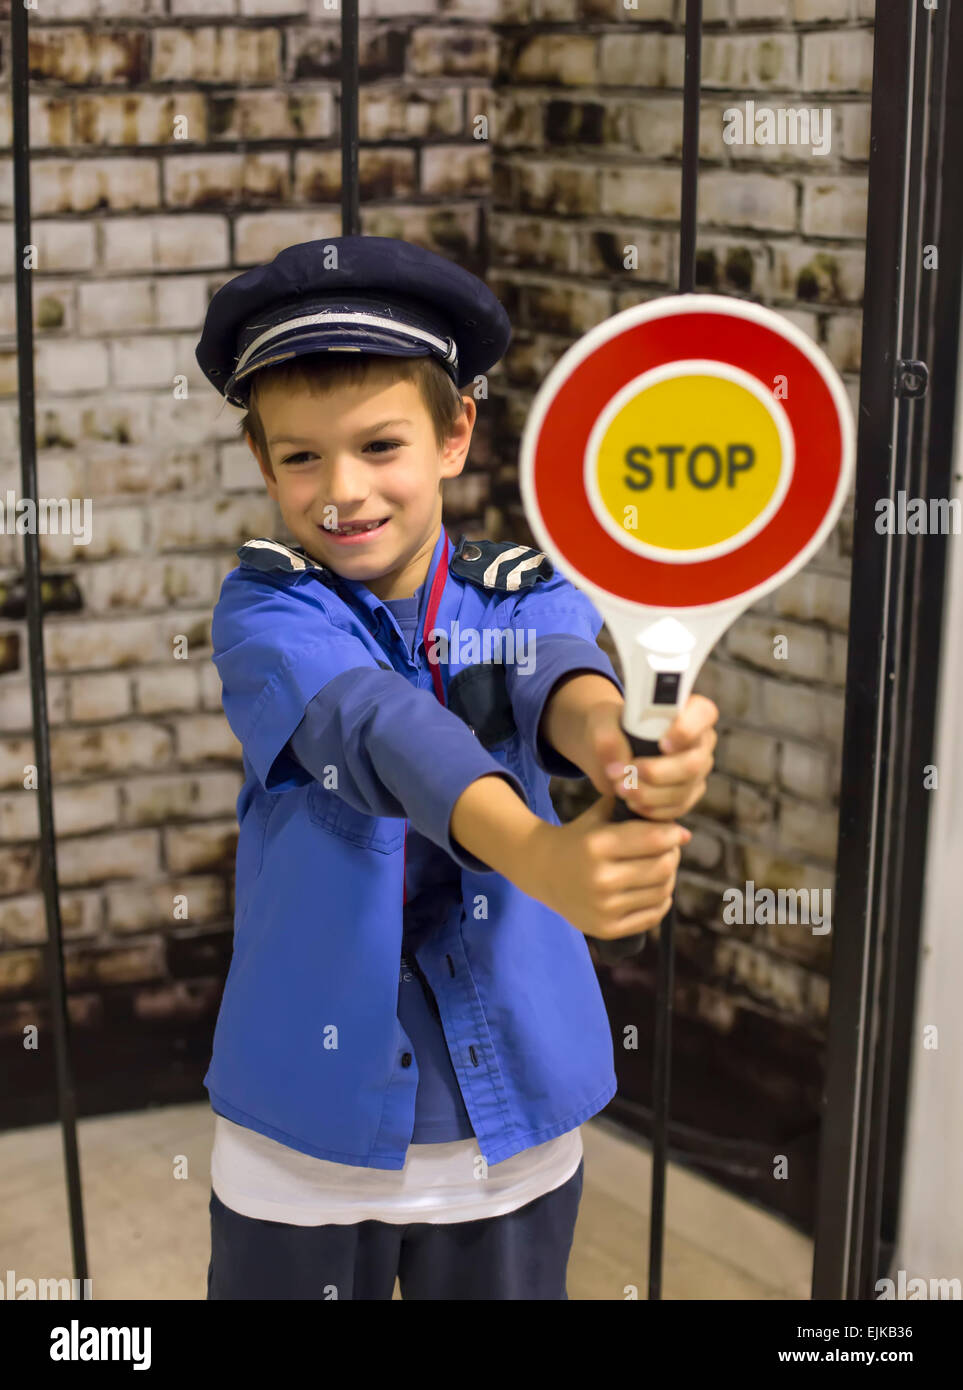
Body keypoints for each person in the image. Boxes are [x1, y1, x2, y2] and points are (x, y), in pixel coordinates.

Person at [194, 234, 718, 1300]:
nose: (343, 490)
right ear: (261, 462)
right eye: (301, 457)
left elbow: (560, 682)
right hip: (305, 1132)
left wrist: (617, 750)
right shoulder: (265, 609)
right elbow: (381, 727)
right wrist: (540, 854)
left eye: (380, 445)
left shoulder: (516, 591)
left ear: (454, 434)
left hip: (509, 1122)